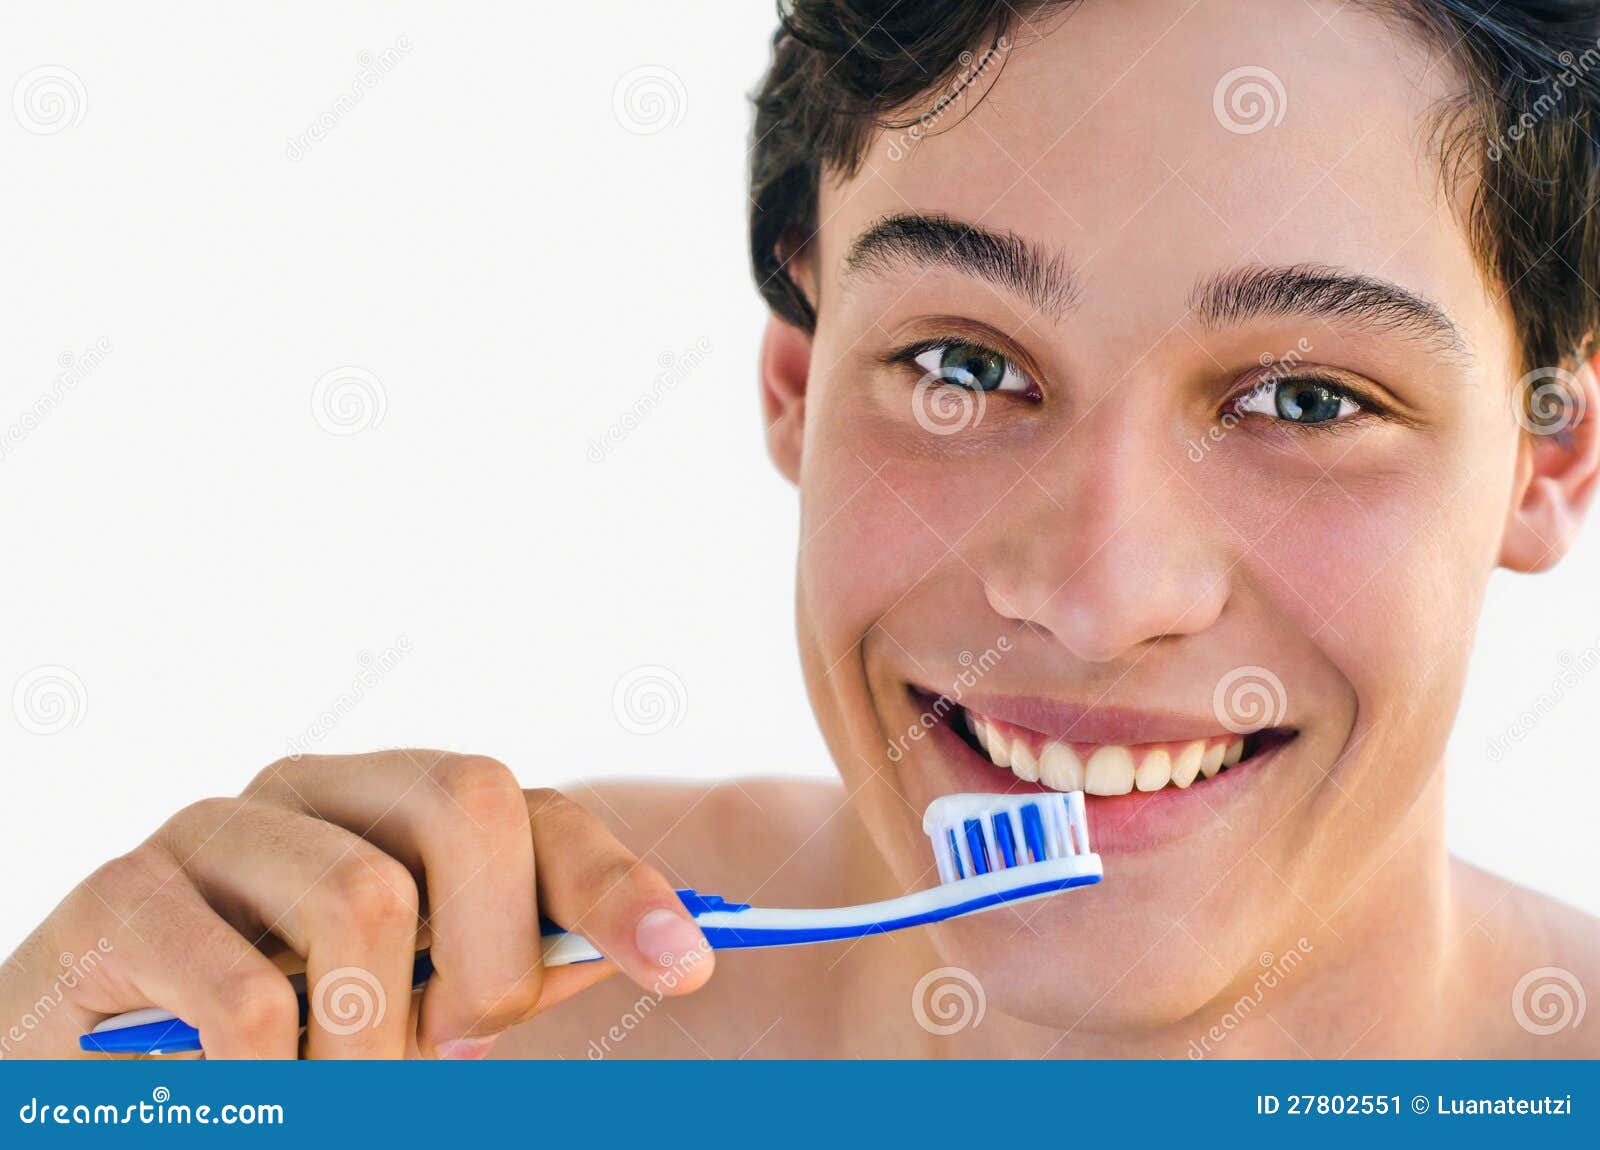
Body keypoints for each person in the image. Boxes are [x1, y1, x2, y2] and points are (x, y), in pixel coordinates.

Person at [7, 0, 1600, 1058]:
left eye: (1309, 399)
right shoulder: (449, 1026)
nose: (1098, 597)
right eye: (964, 365)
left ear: (1550, 456)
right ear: (798, 377)